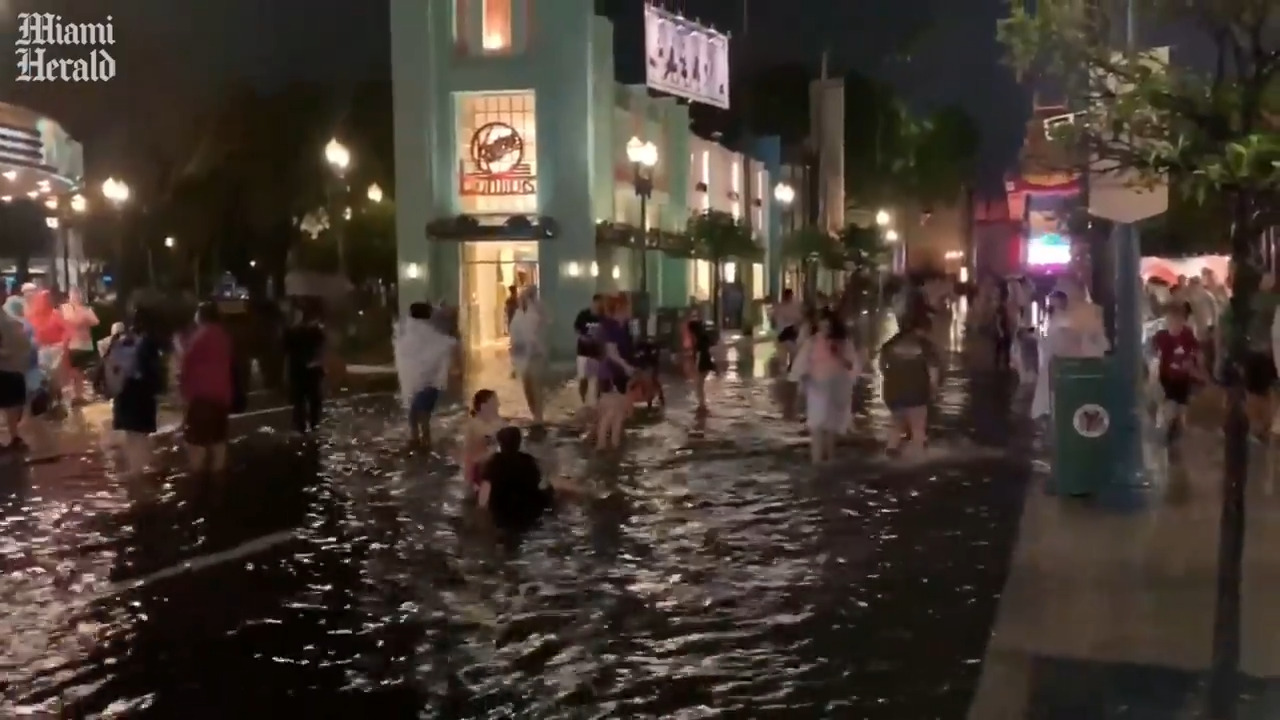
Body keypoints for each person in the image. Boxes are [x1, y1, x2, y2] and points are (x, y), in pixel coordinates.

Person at [790, 308, 861, 464]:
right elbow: (801, 365)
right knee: (816, 426)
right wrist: (802, 384)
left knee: (831, 427)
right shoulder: (812, 342)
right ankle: (816, 462)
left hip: (837, 387)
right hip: (817, 387)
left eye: (827, 327)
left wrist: (838, 354)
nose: (823, 331)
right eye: (821, 326)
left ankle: (829, 460)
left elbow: (852, 365)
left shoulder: (843, 343)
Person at [106, 309, 164, 478]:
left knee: (132, 434)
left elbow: (113, 365)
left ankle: (136, 470)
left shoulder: (124, 341)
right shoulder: (151, 341)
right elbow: (155, 370)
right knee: (141, 433)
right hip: (145, 393)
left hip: (127, 390)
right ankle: (144, 465)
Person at [179, 302, 235, 474]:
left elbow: (186, 364)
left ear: (201, 316)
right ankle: (219, 484)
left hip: (202, 399)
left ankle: (198, 484)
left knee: (195, 446)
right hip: (221, 397)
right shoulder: (224, 336)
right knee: (218, 444)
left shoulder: (199, 337)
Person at [879, 310, 941, 459]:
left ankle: (890, 455)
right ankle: (917, 461)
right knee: (918, 429)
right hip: (917, 393)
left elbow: (882, 367)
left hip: (893, 393)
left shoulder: (889, 345)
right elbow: (933, 372)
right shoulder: (925, 346)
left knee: (896, 427)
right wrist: (933, 391)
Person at [394, 301, 456, 447]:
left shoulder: (407, 331)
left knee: (414, 410)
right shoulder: (430, 333)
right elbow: (448, 345)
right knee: (423, 413)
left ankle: (415, 438)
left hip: (413, 381)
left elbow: (401, 350)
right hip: (429, 380)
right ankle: (425, 440)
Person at [476, 425, 555, 531]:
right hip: (527, 512)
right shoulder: (528, 461)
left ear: (500, 443)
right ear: (519, 442)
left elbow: (484, 492)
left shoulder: (494, 463)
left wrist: (481, 510)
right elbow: (540, 484)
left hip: (502, 512)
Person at [1151, 302, 1203, 442]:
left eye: (1177, 320)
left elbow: (1196, 350)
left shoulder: (1187, 334)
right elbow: (1154, 353)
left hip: (1183, 378)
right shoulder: (1161, 336)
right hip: (1167, 377)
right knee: (1170, 404)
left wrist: (1195, 364)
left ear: (1183, 320)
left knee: (1182, 407)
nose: (1174, 324)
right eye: (1170, 320)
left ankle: (1178, 429)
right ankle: (1168, 428)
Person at [595, 296, 638, 450]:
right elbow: (611, 353)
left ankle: (614, 444)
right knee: (611, 411)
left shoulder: (621, 326)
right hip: (610, 373)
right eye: (628, 307)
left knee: (619, 411)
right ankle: (600, 446)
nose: (630, 310)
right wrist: (626, 366)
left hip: (618, 373)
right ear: (620, 308)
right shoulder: (611, 327)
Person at [283, 304, 327, 435]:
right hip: (309, 371)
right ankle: (312, 425)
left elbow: (285, 350)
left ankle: (303, 426)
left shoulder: (292, 332)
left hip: (300, 371)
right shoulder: (314, 331)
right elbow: (321, 348)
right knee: (311, 400)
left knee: (301, 401)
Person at [508, 287, 547, 424]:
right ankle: (534, 413)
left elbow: (545, 322)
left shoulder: (538, 308)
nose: (522, 297)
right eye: (522, 295)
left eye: (526, 295)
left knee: (535, 385)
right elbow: (513, 335)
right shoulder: (518, 312)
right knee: (527, 386)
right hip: (522, 354)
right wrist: (512, 359)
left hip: (536, 353)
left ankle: (539, 416)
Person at [0, 300, 32, 452]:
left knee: (13, 404)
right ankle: (13, 436)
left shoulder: (8, 318)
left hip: (12, 368)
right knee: (11, 404)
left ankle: (14, 436)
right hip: (7, 367)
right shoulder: (9, 319)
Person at [60, 288, 99, 404]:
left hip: (73, 344)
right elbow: (95, 322)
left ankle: (76, 395)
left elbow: (95, 322)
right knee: (78, 371)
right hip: (78, 343)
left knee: (75, 371)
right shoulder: (83, 310)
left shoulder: (66, 309)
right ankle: (77, 395)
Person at [461, 389, 503, 493]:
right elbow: (490, 439)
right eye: (495, 402)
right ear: (484, 406)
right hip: (477, 471)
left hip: (485, 470)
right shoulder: (475, 425)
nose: (499, 405)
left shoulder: (496, 422)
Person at [682, 306, 716, 414]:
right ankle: (702, 405)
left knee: (698, 385)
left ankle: (702, 406)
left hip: (703, 363)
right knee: (699, 385)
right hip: (706, 362)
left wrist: (696, 366)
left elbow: (700, 355)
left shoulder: (699, 341)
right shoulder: (702, 337)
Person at [573, 294, 603, 405]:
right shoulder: (584, 315)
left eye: (601, 304)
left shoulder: (603, 316)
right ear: (593, 303)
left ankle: (598, 401)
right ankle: (583, 400)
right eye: (597, 303)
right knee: (583, 378)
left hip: (598, 353)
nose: (599, 306)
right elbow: (577, 329)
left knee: (600, 378)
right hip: (583, 352)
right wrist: (584, 337)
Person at [772, 288, 803, 368]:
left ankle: (786, 370)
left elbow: (774, 320)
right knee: (791, 354)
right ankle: (789, 369)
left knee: (786, 355)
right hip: (788, 332)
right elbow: (799, 319)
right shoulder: (793, 307)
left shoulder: (780, 307)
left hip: (786, 332)